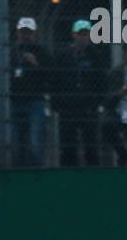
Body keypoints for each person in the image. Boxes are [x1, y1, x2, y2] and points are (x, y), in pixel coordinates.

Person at [53, 19, 105, 167]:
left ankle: (93, 174)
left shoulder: (96, 55)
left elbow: (101, 80)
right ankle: (68, 174)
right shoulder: (62, 55)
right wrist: (58, 103)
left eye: (85, 33)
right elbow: (56, 79)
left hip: (88, 107)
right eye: (80, 33)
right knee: (68, 145)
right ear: (73, 35)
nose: (83, 37)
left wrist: (97, 101)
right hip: (68, 107)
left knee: (91, 145)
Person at [10, 17, 49, 167]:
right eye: (23, 32)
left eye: (28, 32)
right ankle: (17, 173)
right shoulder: (11, 51)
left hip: (35, 100)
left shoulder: (41, 51)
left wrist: (36, 64)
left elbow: (50, 74)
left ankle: (37, 174)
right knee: (15, 142)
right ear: (17, 32)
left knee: (35, 141)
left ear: (34, 33)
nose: (25, 35)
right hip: (14, 100)